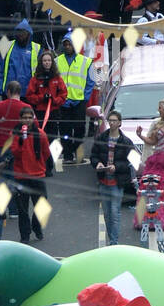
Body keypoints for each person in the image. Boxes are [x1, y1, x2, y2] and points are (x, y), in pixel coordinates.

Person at [90, 110, 135, 246]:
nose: (111, 122)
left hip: (117, 182)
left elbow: (131, 162)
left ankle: (114, 242)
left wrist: (116, 167)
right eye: (110, 120)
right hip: (104, 181)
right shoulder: (101, 138)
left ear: (120, 123)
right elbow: (94, 155)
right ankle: (111, 239)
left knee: (115, 213)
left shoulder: (126, 141)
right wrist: (97, 163)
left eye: (114, 120)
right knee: (107, 214)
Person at [11, 107, 50, 243]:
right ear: (20, 119)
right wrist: (22, 140)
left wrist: (39, 167)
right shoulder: (16, 135)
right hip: (21, 177)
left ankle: (36, 225)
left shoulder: (41, 134)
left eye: (29, 117)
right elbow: (15, 153)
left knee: (42, 204)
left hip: (37, 175)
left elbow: (45, 153)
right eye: (24, 118)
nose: (27, 120)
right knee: (22, 209)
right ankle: (25, 235)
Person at [56, 34, 94, 163]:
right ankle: (67, 155)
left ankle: (77, 153)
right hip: (63, 102)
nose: (67, 47)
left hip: (79, 102)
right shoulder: (57, 61)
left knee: (79, 128)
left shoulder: (86, 61)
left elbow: (91, 81)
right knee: (64, 129)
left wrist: (84, 98)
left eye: (70, 44)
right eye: (65, 44)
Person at [25, 48, 67, 141]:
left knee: (52, 138)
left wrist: (54, 100)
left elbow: (63, 95)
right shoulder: (35, 79)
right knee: (40, 137)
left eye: (49, 60)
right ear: (41, 62)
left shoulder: (57, 78)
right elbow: (29, 96)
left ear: (52, 62)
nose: (47, 63)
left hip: (53, 113)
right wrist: (42, 98)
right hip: (40, 113)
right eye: (44, 61)